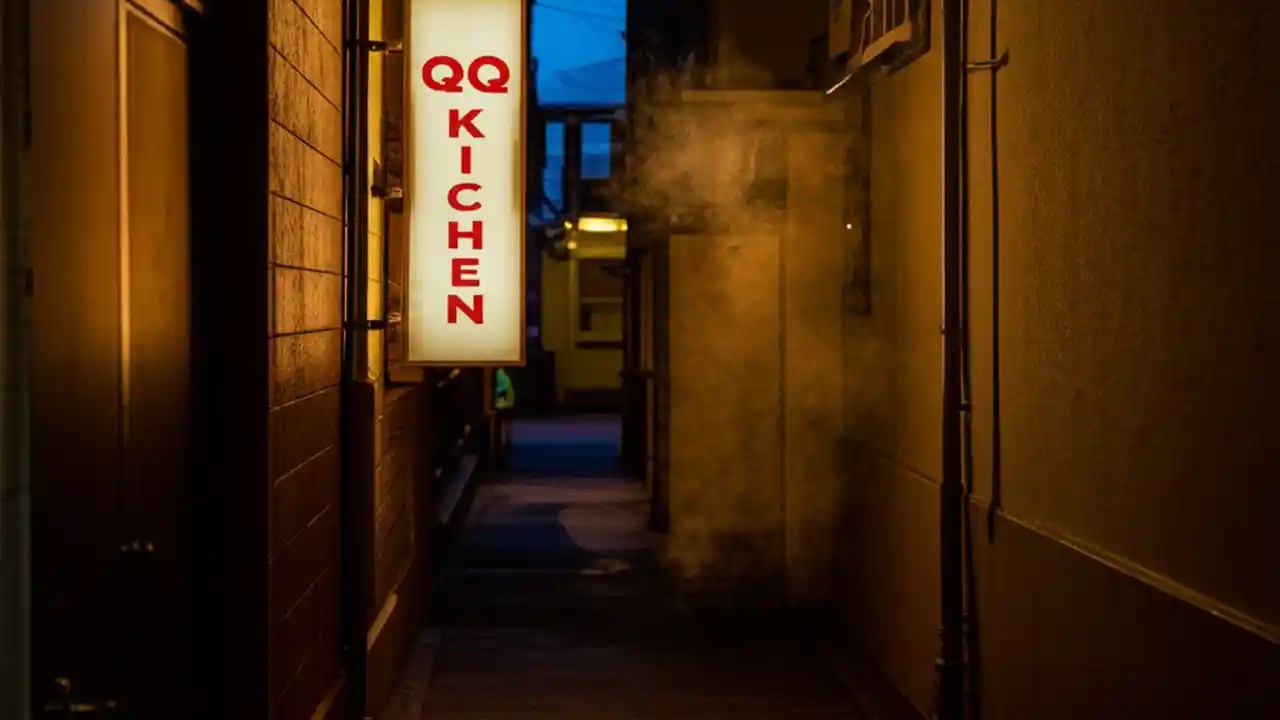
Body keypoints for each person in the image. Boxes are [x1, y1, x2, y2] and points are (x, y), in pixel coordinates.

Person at [493, 367, 515, 466]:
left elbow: (502, 391)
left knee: (500, 429)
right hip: (505, 405)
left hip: (501, 405)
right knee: (502, 429)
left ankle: (499, 453)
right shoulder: (502, 374)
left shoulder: (499, 375)